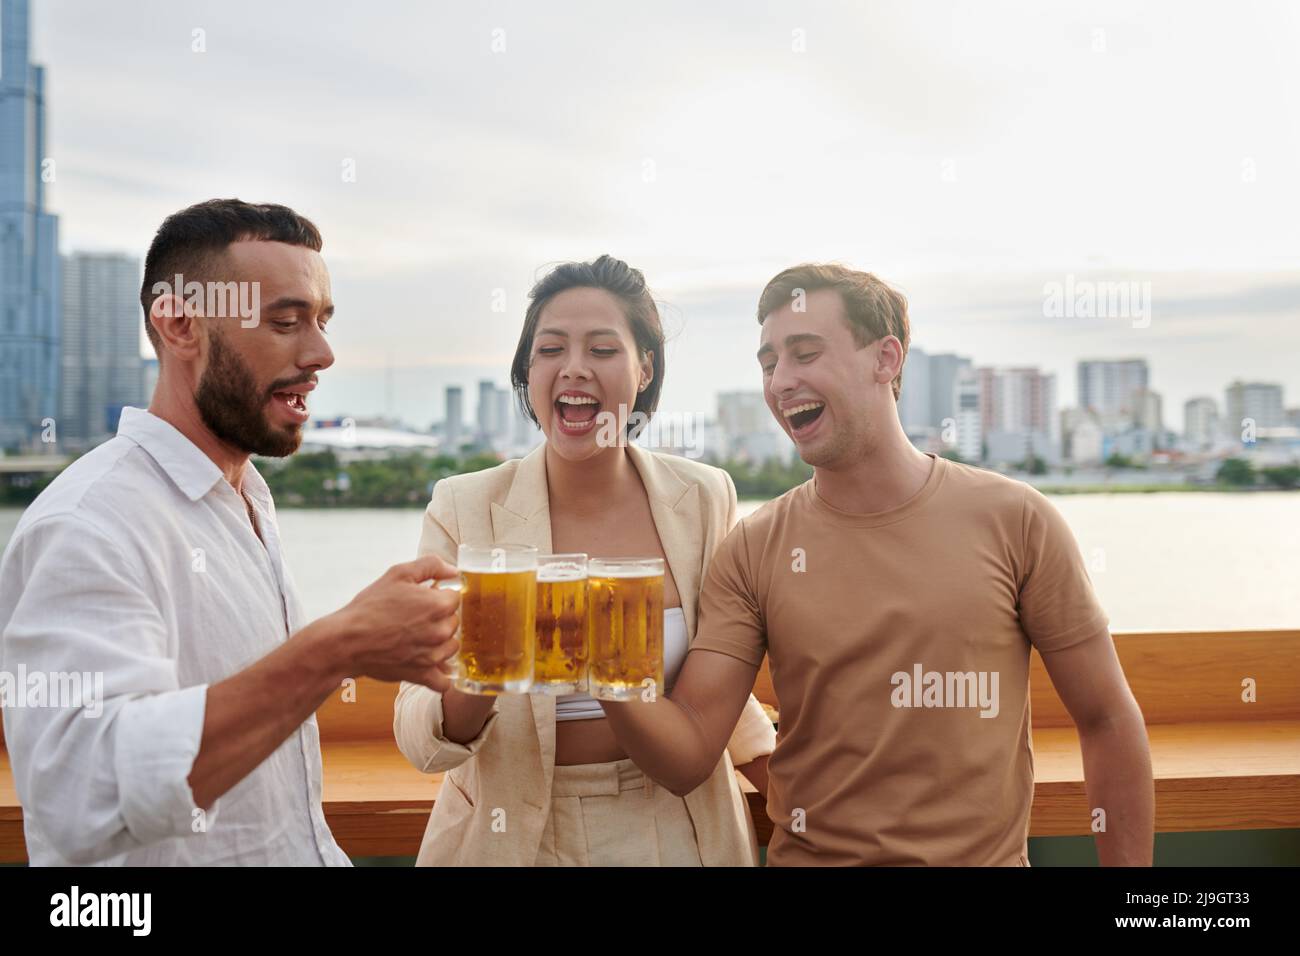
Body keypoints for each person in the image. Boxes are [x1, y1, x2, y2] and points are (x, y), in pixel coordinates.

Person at [596, 263, 1155, 866]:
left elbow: (1106, 719)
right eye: (768, 363)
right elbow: (686, 757)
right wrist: (600, 663)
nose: (781, 381)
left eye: (805, 353)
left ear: (885, 359)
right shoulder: (752, 548)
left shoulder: (1017, 518)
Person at [0, 199, 460, 865]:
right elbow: (82, 796)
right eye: (285, 321)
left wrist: (352, 632)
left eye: (323, 322)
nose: (322, 353)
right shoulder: (88, 525)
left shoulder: (243, 496)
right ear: (181, 324)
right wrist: (338, 646)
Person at [394, 255, 776, 866]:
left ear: (644, 367)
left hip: (675, 824)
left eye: (603, 349)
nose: (574, 368)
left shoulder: (704, 497)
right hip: (511, 829)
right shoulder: (465, 506)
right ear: (527, 369)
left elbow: (719, 680)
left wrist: (790, 794)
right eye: (551, 349)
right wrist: (486, 669)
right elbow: (419, 729)